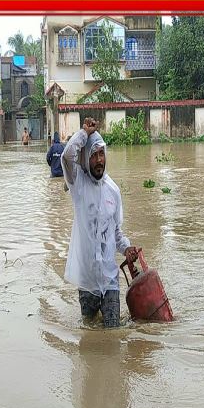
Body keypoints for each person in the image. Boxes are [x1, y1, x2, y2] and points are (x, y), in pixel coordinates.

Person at [61, 117, 138, 328]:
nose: (99, 160)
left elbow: (116, 233)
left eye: (101, 154)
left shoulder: (113, 190)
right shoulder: (78, 184)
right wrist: (84, 133)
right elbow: (67, 156)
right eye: (93, 155)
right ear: (85, 159)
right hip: (87, 283)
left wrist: (127, 248)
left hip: (110, 280)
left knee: (113, 334)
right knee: (88, 333)